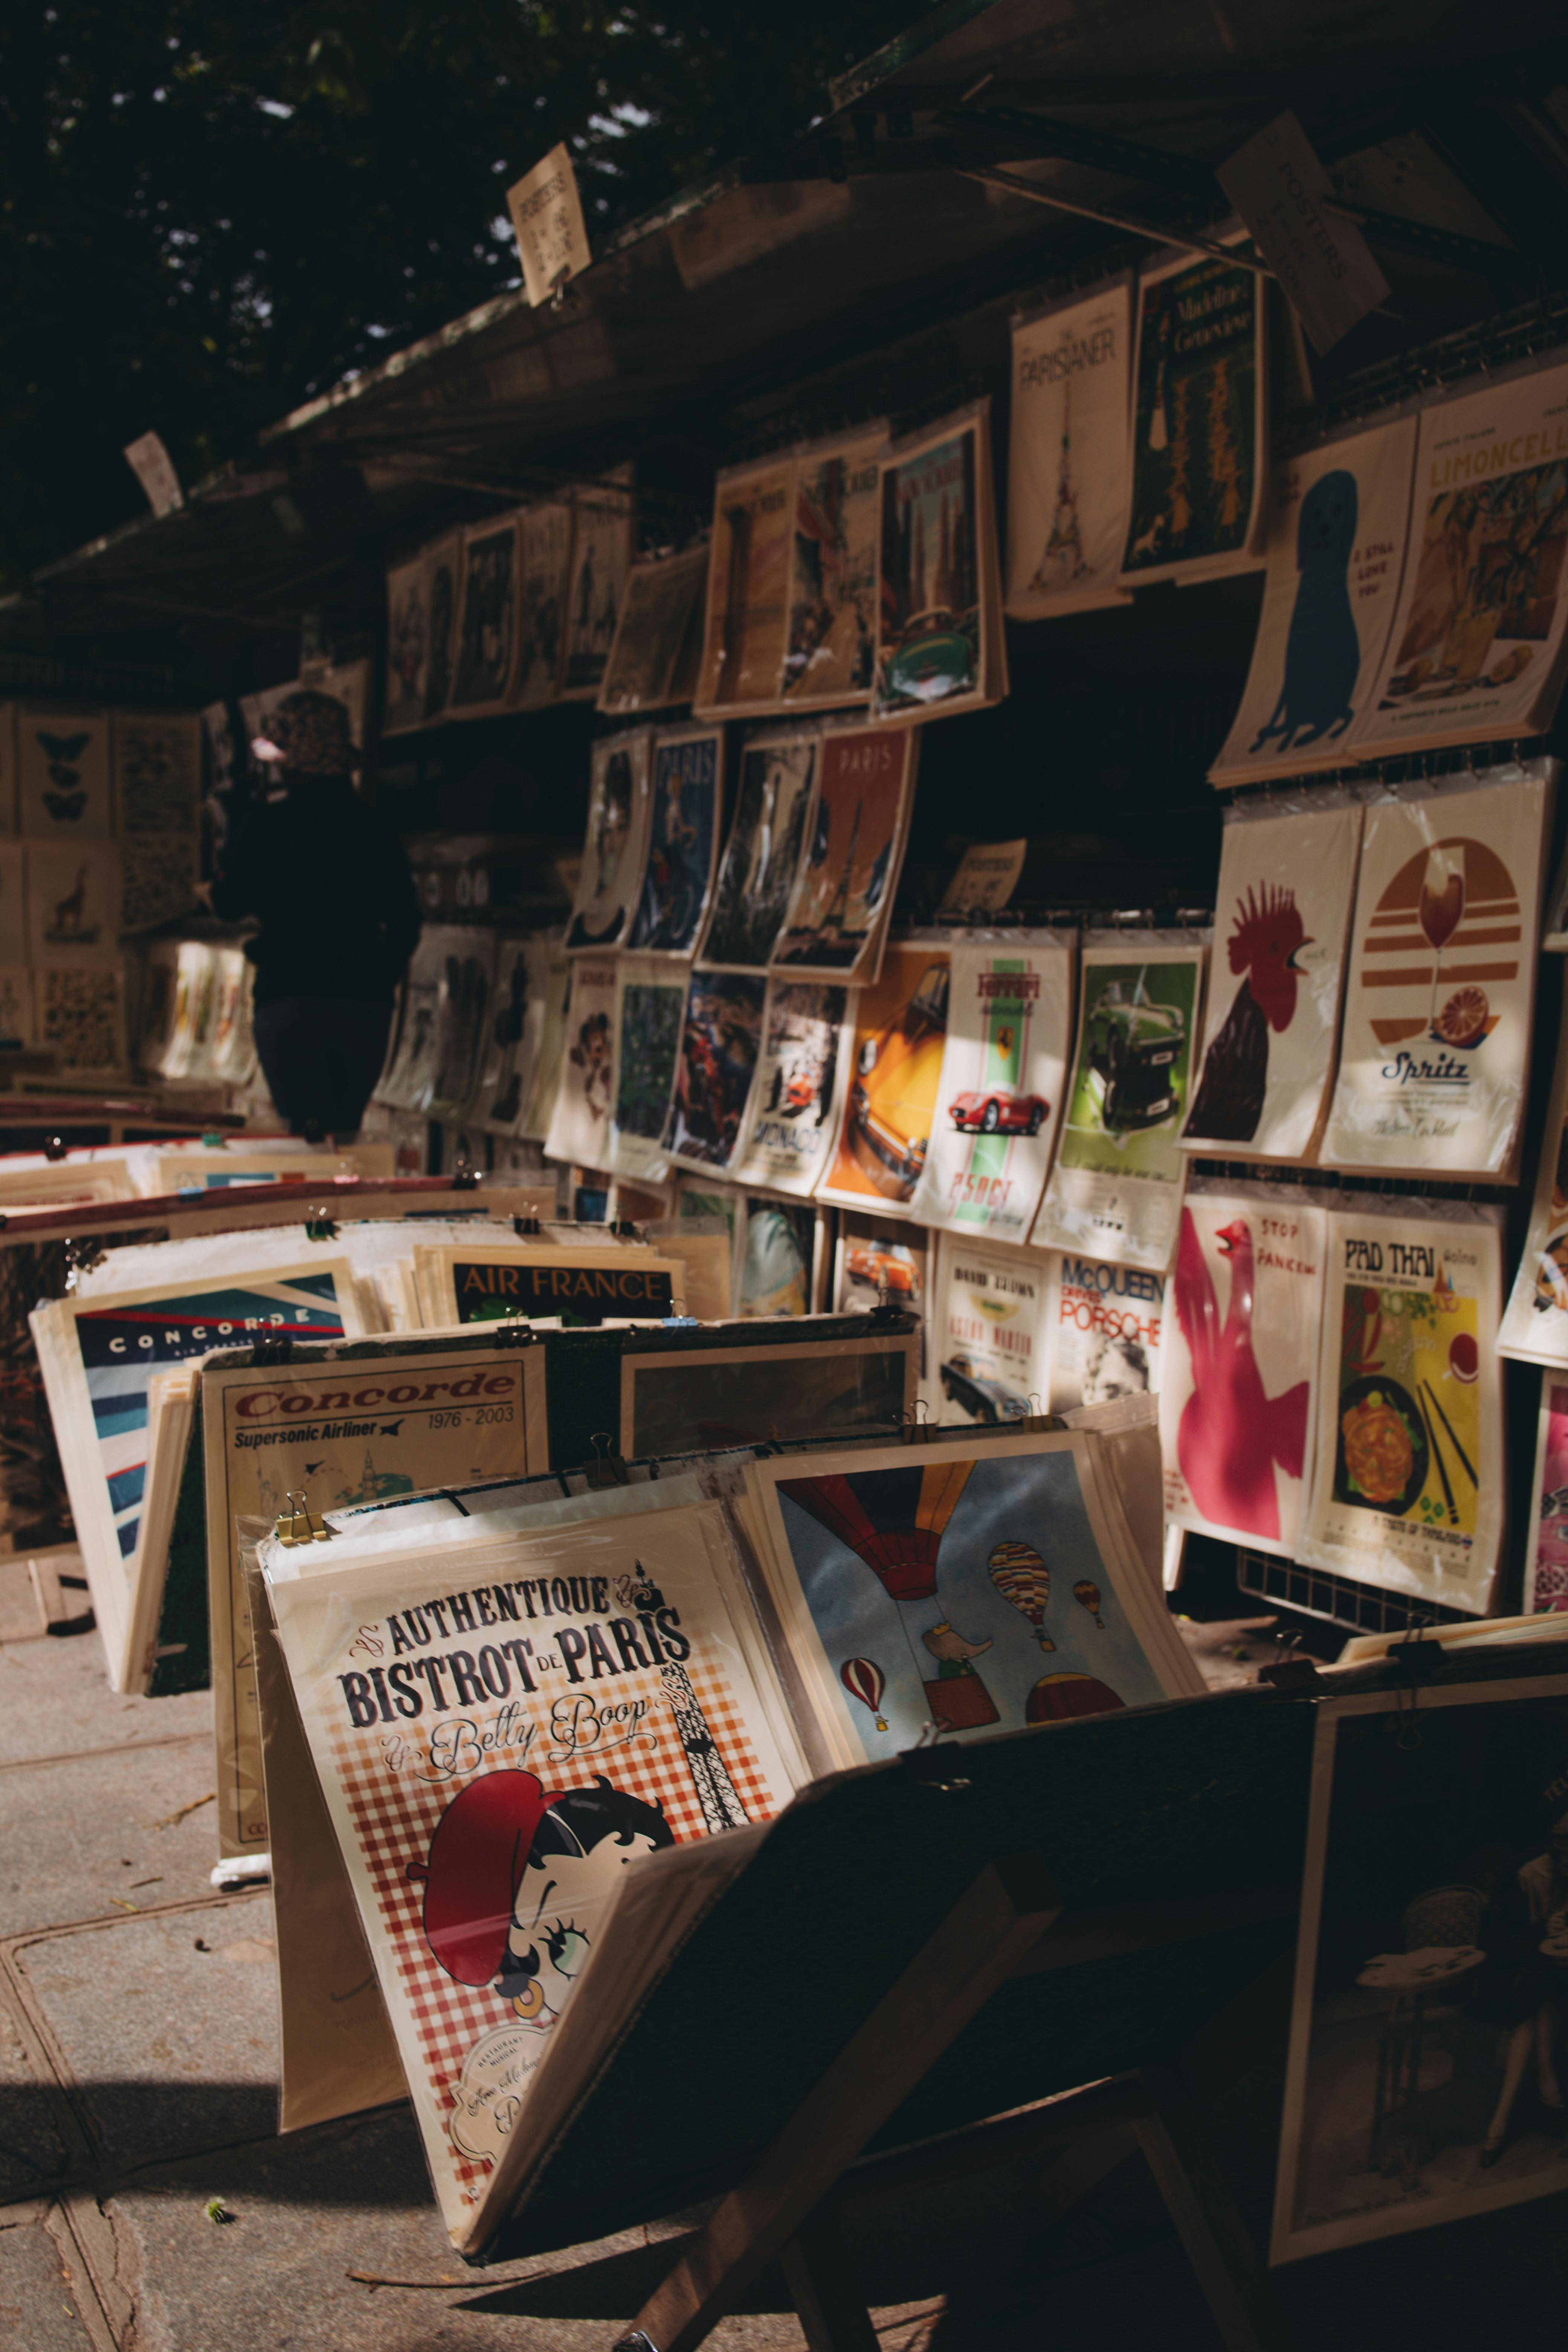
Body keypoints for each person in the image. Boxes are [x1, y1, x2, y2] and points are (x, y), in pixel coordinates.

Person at [210, 690, 420, 1139]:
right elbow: (406, 922)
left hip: (290, 997)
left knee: (307, 1142)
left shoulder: (268, 825)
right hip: (364, 1005)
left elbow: (229, 903)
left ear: (291, 762)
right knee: (344, 1137)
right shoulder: (373, 828)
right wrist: (378, 978)